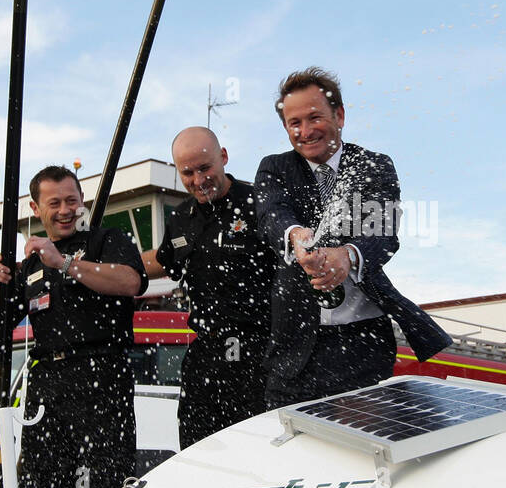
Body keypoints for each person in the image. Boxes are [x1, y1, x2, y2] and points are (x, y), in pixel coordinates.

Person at [0, 165, 148, 488]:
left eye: (72, 200)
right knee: (45, 487)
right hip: (47, 382)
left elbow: (130, 283)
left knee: (110, 484)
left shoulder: (107, 240)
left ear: (82, 200)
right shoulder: (31, 265)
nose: (65, 210)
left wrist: (66, 263)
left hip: (101, 373)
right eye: (54, 203)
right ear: (36, 207)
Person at [254, 66, 451, 408]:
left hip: (363, 344)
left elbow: (383, 234)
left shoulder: (373, 165)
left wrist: (347, 255)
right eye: (293, 123)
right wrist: (297, 236)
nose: (304, 131)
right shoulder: (274, 168)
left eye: (314, 118)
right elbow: (272, 215)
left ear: (339, 115)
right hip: (294, 347)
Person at [141, 127, 275, 448]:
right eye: (187, 172)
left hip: (258, 354)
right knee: (197, 452)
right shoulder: (180, 217)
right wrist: (90, 265)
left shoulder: (261, 204)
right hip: (205, 354)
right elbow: (160, 260)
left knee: (255, 450)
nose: (198, 180)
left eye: (205, 168)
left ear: (224, 157)